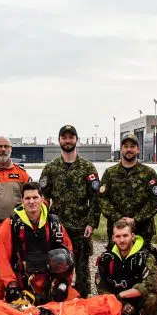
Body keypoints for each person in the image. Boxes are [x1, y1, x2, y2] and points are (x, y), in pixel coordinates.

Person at [39, 124, 101, 297]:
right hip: (57, 227)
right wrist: (45, 223)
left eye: (71, 137)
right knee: (56, 263)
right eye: (64, 137)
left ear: (76, 140)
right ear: (59, 140)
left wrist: (92, 223)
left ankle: (83, 299)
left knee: (82, 267)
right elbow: (43, 198)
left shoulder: (87, 168)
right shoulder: (51, 168)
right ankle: (56, 296)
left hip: (81, 226)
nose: (67, 141)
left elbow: (95, 198)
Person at [0, 182, 72, 305]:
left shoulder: (54, 223)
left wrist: (63, 283)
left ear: (42, 199)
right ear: (22, 201)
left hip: (49, 281)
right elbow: (3, 258)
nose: (31, 202)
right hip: (22, 282)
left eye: (35, 197)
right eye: (27, 198)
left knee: (72, 300)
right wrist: (12, 285)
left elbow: (68, 255)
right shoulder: (11, 224)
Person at [99, 131, 157, 241]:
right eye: (126, 146)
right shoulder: (110, 173)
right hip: (117, 230)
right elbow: (103, 199)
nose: (129, 149)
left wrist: (136, 220)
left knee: (144, 257)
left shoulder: (148, 173)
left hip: (142, 229)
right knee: (116, 258)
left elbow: (154, 201)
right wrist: (118, 219)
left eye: (132, 146)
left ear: (138, 149)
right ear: (121, 149)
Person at [95, 219, 157, 315]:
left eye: (125, 235)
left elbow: (152, 284)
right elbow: (101, 287)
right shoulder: (106, 258)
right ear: (113, 238)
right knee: (99, 304)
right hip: (118, 300)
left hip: (139, 299)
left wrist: (124, 295)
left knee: (153, 299)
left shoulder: (146, 256)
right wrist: (121, 303)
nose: (122, 240)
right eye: (118, 236)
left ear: (132, 236)